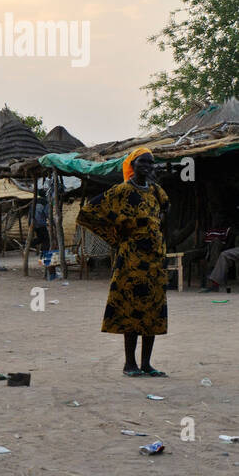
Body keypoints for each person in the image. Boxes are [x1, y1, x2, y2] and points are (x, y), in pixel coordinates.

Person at [77, 147, 169, 376]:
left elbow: (166, 209)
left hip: (154, 260)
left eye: (150, 163)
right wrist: (118, 233)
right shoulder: (121, 191)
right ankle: (130, 363)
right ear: (132, 165)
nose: (147, 167)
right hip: (131, 259)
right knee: (131, 309)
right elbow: (88, 213)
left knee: (152, 311)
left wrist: (155, 231)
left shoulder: (157, 191)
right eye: (142, 162)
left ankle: (146, 364)